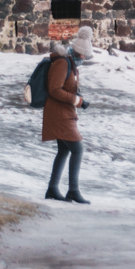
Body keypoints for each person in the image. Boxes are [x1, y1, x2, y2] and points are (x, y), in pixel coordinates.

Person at [42, 28, 94, 203]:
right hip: (59, 114)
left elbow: (66, 88)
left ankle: (52, 189)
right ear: (78, 52)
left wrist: (77, 99)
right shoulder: (63, 63)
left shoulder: (70, 64)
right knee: (77, 149)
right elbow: (54, 90)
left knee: (64, 150)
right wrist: (78, 101)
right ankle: (72, 190)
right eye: (84, 55)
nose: (84, 59)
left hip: (64, 113)